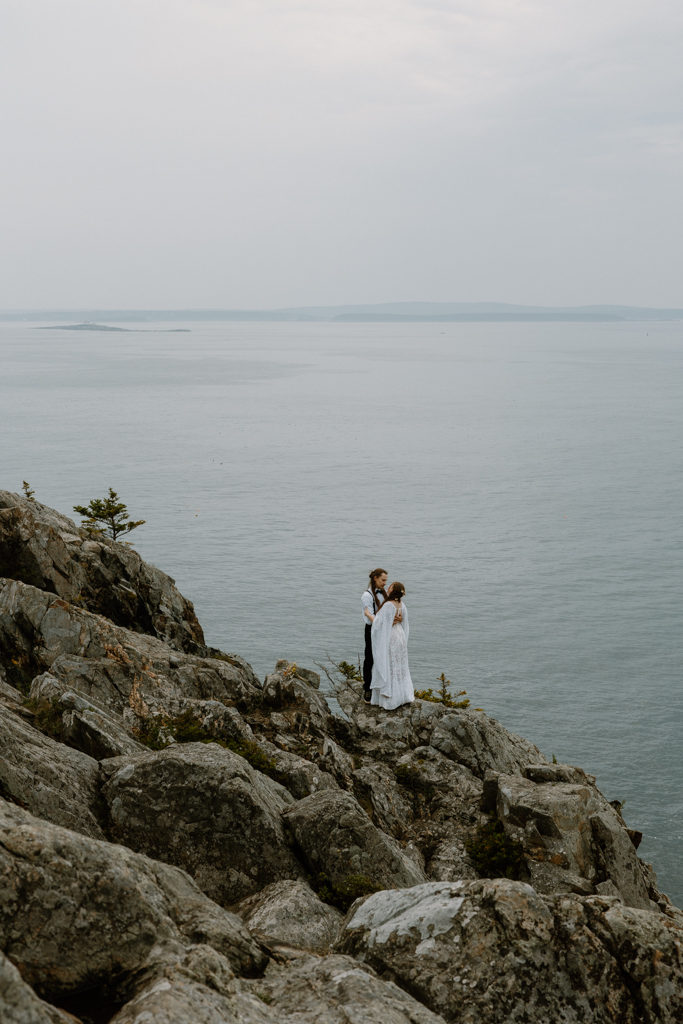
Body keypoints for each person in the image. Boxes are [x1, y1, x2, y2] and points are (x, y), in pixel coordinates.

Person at [370, 581, 414, 710]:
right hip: (400, 635)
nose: (388, 587)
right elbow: (404, 622)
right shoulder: (401, 604)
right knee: (399, 665)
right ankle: (403, 695)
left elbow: (378, 624)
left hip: (391, 637)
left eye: (390, 586)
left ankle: (390, 698)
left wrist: (368, 615)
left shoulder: (389, 605)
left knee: (390, 664)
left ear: (392, 590)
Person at [361, 568, 388, 704]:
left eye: (386, 581)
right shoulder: (367, 596)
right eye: (383, 580)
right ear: (375, 578)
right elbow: (370, 618)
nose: (385, 583)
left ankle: (380, 686)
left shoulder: (384, 593)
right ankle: (367, 688)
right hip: (372, 629)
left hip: (383, 629)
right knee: (370, 658)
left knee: (383, 657)